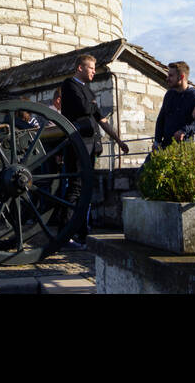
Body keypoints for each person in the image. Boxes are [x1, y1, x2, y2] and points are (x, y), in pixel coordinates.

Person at [57, 54, 129, 249]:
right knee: (76, 187)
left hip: (91, 146)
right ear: (80, 67)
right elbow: (83, 108)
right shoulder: (69, 85)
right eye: (91, 68)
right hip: (77, 144)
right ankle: (65, 232)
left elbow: (102, 120)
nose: (94, 72)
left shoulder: (88, 91)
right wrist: (93, 106)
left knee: (85, 190)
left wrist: (119, 141)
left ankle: (81, 233)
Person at [154, 61, 195, 148]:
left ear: (181, 77)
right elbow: (161, 119)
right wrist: (157, 141)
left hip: (184, 149)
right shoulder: (169, 94)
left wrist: (185, 130)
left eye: (171, 76)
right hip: (165, 146)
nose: (167, 78)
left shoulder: (194, 97)